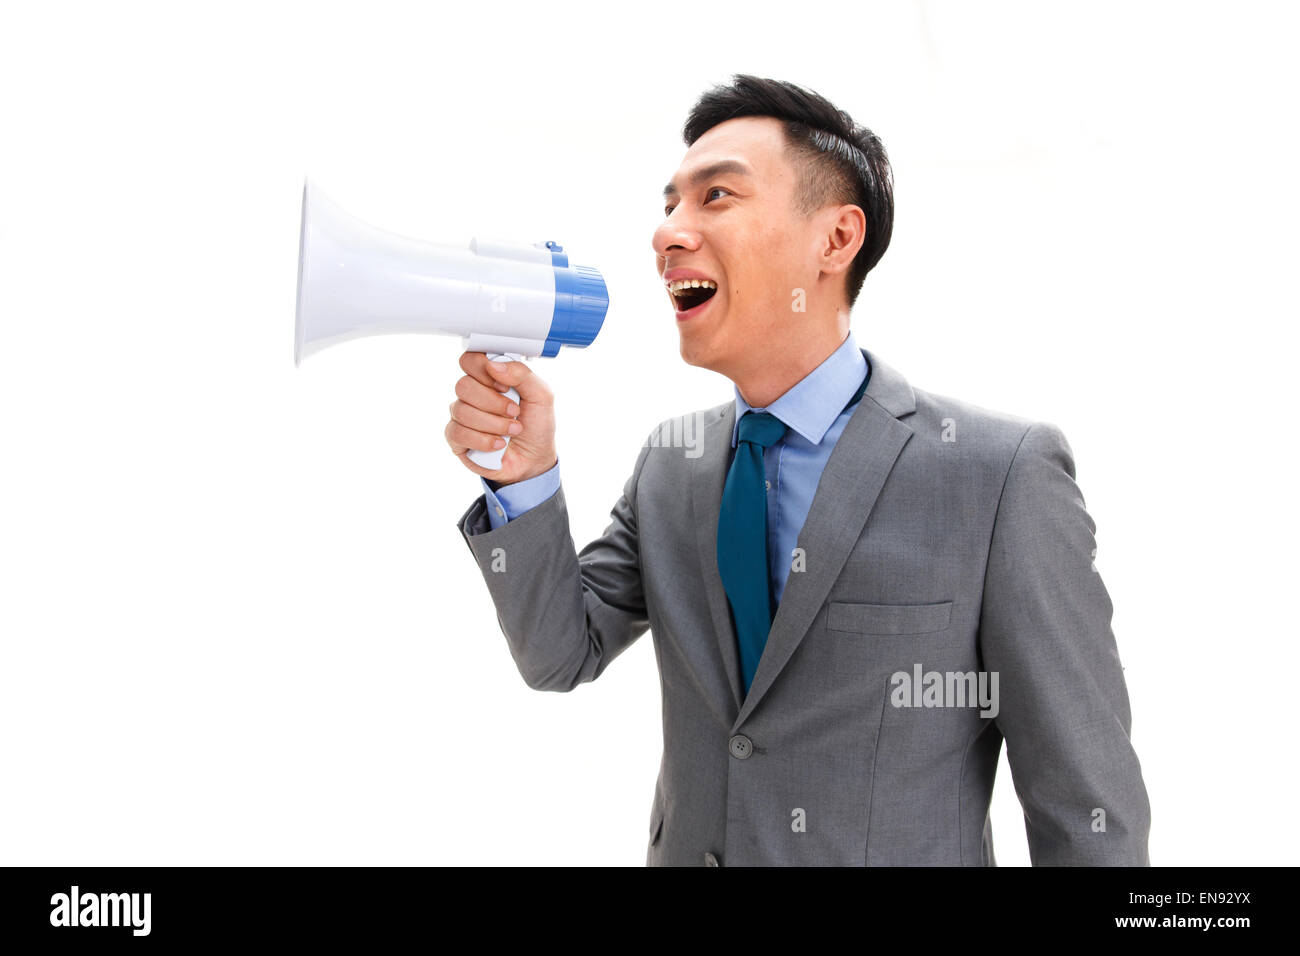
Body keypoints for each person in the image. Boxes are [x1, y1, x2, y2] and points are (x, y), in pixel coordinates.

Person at [446, 74, 1151, 866]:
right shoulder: (670, 466)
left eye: (716, 197)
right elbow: (558, 653)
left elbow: (1086, 809)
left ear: (835, 240)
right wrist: (523, 479)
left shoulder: (998, 477)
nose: (668, 232)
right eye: (670, 203)